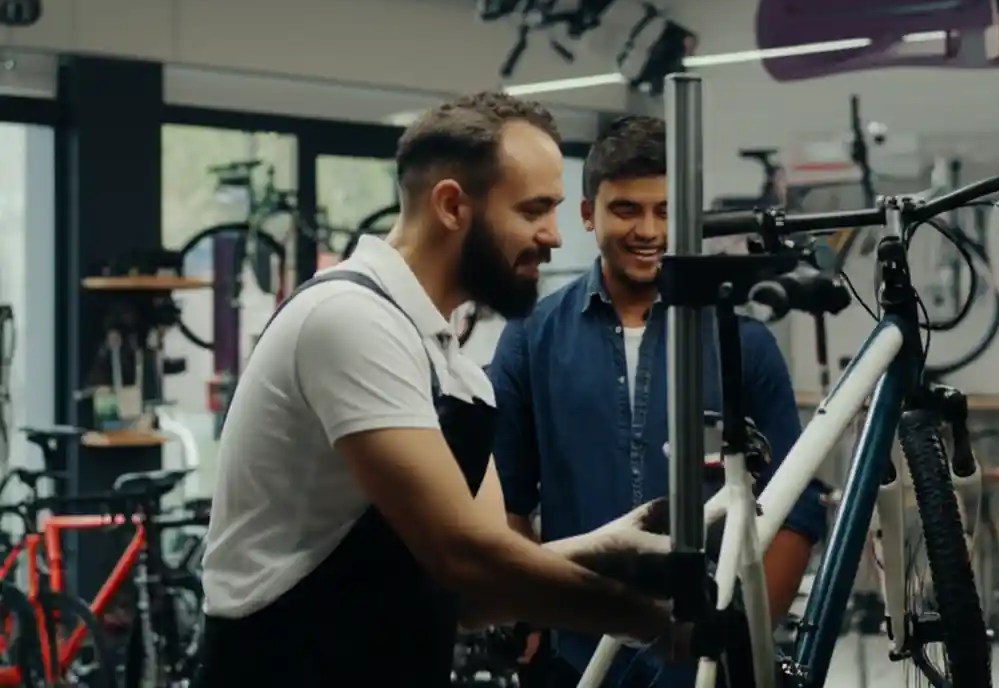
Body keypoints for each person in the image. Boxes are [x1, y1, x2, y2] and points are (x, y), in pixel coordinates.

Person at [196, 93, 684, 687]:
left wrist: (606, 550)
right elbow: (465, 560)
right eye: (534, 210)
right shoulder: (349, 319)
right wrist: (655, 626)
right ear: (453, 205)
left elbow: (475, 596)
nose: (554, 237)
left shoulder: (450, 363)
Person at [488, 115, 828, 687]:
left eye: (666, 211)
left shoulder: (742, 344)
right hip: (573, 653)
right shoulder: (531, 337)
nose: (648, 230)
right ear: (587, 213)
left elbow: (794, 510)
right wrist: (531, 609)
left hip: (703, 661)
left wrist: (740, 640)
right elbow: (506, 502)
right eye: (626, 210)